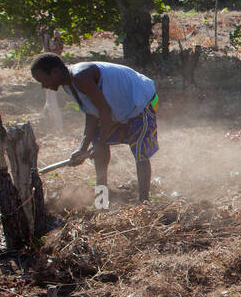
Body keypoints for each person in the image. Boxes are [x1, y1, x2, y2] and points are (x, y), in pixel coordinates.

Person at [29, 55, 159, 202]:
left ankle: (144, 202)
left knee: (140, 152)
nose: (43, 85)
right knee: (98, 146)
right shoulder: (68, 85)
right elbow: (92, 113)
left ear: (54, 72)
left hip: (140, 102)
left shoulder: (81, 77)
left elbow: (104, 111)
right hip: (118, 107)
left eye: (42, 80)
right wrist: (82, 148)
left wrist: (101, 145)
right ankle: (102, 199)